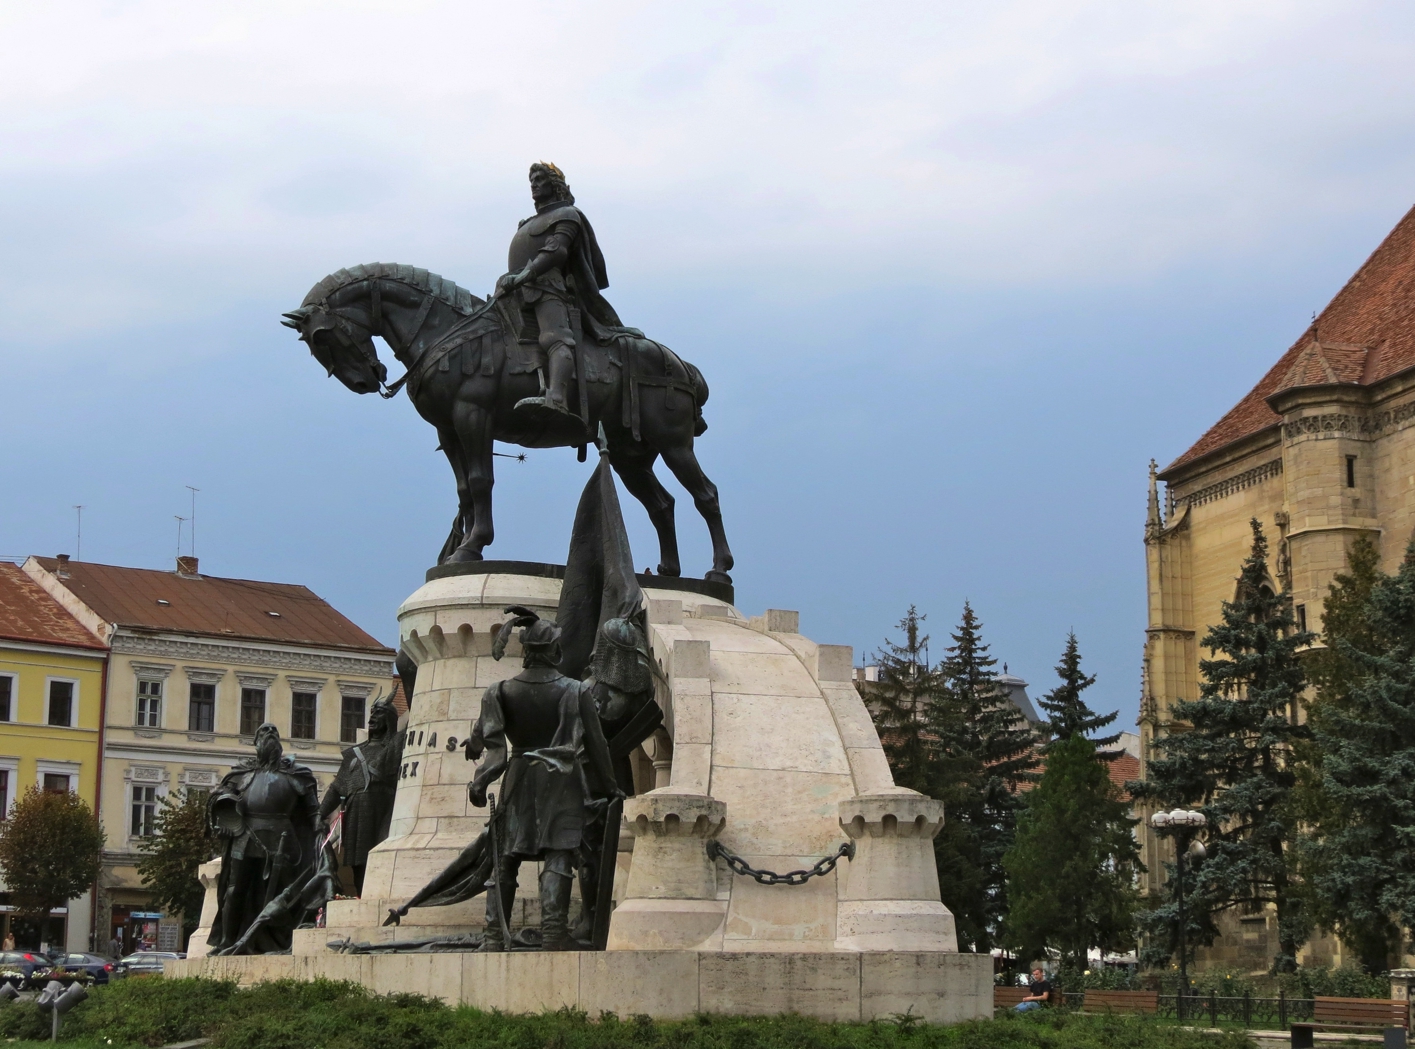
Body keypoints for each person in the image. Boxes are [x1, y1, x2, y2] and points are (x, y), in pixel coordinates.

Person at [468, 607, 619, 951]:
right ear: (553, 651)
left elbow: (495, 754)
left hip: (519, 775)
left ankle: (493, 936)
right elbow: (596, 745)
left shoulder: (499, 691)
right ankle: (553, 933)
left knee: (506, 857)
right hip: (561, 778)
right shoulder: (576, 690)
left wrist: (479, 784)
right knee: (559, 854)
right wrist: (611, 788)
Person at [497, 162, 624, 424]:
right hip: (515, 289)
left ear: (554, 184)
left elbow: (557, 251)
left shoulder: (567, 214)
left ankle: (557, 398)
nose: (533, 183)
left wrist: (526, 275)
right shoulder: (528, 222)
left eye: (539, 178)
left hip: (547, 288)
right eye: (531, 179)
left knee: (554, 337)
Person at [206, 723, 320, 954]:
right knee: (235, 889)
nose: (269, 733)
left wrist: (320, 829)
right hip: (246, 836)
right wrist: (223, 822)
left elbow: (313, 811)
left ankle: (286, 939)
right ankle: (228, 940)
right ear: (255, 743)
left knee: (287, 891)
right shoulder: (241, 774)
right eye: (263, 732)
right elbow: (218, 802)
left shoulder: (297, 775)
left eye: (273, 732)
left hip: (283, 838)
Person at [319, 696, 403, 896]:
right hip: (356, 812)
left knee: (379, 859)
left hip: (382, 810)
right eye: (372, 712)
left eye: (379, 712)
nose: (373, 717)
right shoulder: (353, 754)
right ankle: (361, 898)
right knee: (358, 863)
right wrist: (319, 814)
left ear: (390, 719)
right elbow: (337, 788)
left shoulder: (396, 744)